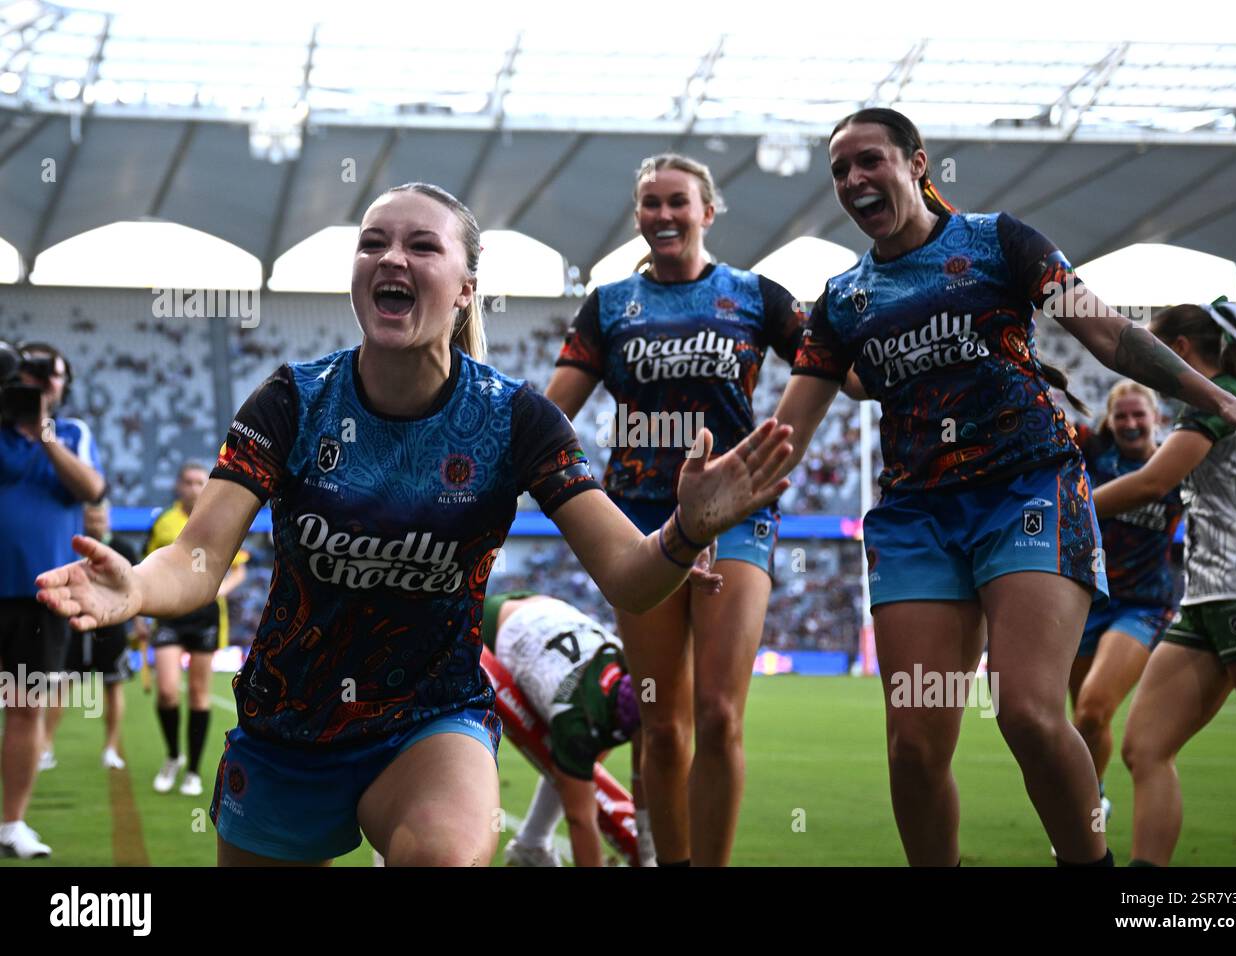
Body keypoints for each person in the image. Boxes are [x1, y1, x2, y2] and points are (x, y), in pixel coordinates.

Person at [35, 182, 793, 867]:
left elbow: (630, 575)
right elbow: (201, 558)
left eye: (421, 245)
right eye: (374, 242)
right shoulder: (290, 402)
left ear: (466, 289)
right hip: (289, 726)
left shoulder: (517, 419)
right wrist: (134, 586)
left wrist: (686, 528)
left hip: (431, 717)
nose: (391, 256)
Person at [771, 107, 1236, 867]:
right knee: (914, 748)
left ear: (917, 164)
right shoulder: (842, 301)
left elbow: (1109, 333)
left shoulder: (998, 242)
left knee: (1026, 712)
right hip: (917, 515)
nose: (854, 179)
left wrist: (1216, 397)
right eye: (840, 170)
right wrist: (710, 518)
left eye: (870, 161)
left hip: (1028, 490)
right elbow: (785, 434)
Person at [545, 153, 806, 867]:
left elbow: (833, 363)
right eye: (650, 204)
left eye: (677, 202)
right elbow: (548, 416)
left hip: (735, 514)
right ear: (638, 217)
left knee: (719, 716)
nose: (663, 215)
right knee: (661, 728)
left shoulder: (756, 296)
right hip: (640, 524)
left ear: (707, 211)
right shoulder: (609, 306)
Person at [1089, 301, 1236, 866]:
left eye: (1148, 351)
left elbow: (1152, 481)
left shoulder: (1214, 405)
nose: (1139, 365)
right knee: (1145, 748)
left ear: (1177, 351)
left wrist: (1069, 508)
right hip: (1209, 605)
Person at [0, 342, 105, 859]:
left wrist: (43, 436)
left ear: (65, 384)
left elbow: (90, 487)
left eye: (51, 373)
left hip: (42, 596)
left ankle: (11, 824)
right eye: (28, 370)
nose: (40, 380)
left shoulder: (72, 433)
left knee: (24, 710)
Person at [1068, 383, 1183, 822]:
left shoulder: (1175, 463)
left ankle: (1086, 807)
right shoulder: (1094, 451)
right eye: (1122, 416)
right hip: (1087, 600)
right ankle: (1093, 799)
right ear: (1109, 421)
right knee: (1085, 723)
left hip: (1144, 605)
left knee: (1094, 706)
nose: (1131, 424)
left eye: (1139, 415)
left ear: (1157, 419)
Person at [481, 590, 644, 867]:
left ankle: (531, 842)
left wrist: (650, 847)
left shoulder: (630, 668)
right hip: (495, 624)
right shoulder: (576, 722)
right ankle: (531, 843)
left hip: (545, 610)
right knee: (576, 761)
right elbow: (580, 819)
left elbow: (644, 776)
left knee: (579, 758)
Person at [140, 461, 249, 797]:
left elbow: (239, 569)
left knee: (199, 694)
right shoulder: (163, 522)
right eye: (187, 481)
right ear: (178, 486)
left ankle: (192, 771)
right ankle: (173, 755)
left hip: (205, 616)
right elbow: (147, 566)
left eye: (200, 481)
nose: (193, 487)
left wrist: (220, 589)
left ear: (209, 484)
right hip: (170, 612)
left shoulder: (222, 519)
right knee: (168, 691)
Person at [42, 500, 138, 771]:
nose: (96, 521)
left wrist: (140, 624)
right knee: (60, 686)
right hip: (71, 626)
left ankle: (110, 748)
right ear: (82, 518)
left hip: (112, 628)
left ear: (108, 518)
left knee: (113, 687)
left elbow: (138, 587)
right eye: (90, 517)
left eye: (100, 517)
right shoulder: (67, 545)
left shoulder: (123, 548)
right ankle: (45, 747)